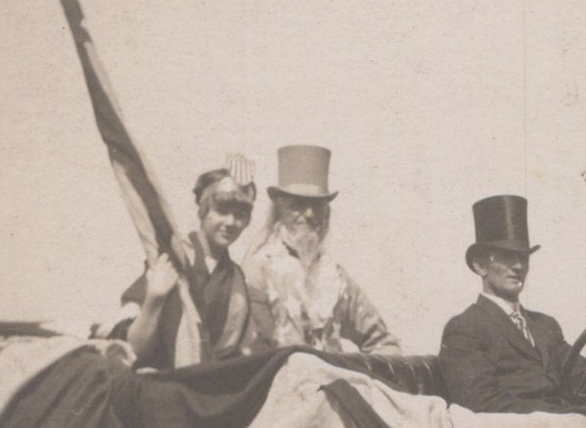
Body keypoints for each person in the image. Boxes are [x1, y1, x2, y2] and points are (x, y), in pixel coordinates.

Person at [240, 145, 401, 356]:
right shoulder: (258, 271)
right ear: (280, 210)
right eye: (298, 204)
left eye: (317, 205)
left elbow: (382, 341)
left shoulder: (335, 277)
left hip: (332, 374)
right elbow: (250, 352)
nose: (309, 214)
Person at [111, 156, 256, 370]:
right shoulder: (171, 260)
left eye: (240, 215)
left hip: (210, 382)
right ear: (203, 211)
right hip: (160, 378)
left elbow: (241, 352)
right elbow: (133, 348)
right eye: (222, 212)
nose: (230, 222)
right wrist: (154, 299)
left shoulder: (236, 280)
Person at [439, 195, 572, 413]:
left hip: (564, 422)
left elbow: (583, 374)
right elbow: (481, 403)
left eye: (524, 257)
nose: (519, 266)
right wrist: (561, 416)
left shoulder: (545, 325)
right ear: (481, 266)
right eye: (507, 256)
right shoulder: (465, 328)